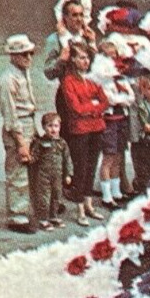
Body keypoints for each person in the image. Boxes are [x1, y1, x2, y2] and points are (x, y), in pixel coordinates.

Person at [56, 44, 108, 226]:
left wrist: (92, 108)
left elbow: (104, 101)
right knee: (80, 168)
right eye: (81, 58)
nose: (85, 61)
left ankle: (89, 204)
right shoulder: (68, 81)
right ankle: (79, 208)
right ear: (72, 60)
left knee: (92, 165)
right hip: (79, 130)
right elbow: (75, 108)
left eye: (87, 58)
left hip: (97, 127)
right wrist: (93, 107)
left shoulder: (93, 78)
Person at [0, 33, 38, 234]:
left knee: (30, 170)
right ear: (12, 55)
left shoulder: (23, 73)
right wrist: (21, 141)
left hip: (29, 122)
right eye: (23, 54)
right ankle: (17, 216)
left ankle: (30, 207)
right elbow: (10, 115)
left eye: (30, 53)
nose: (28, 58)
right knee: (18, 171)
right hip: (18, 127)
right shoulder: (7, 79)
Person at [89, 45, 136, 208]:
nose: (112, 60)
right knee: (108, 157)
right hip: (109, 120)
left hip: (122, 119)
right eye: (108, 56)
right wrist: (119, 98)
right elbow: (108, 99)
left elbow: (131, 97)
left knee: (118, 156)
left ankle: (116, 192)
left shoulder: (121, 77)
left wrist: (120, 98)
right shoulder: (100, 78)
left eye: (114, 56)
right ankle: (106, 196)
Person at [30, 112, 73, 230]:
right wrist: (29, 159)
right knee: (44, 198)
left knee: (56, 196)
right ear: (44, 127)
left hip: (57, 175)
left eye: (56, 126)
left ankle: (53, 216)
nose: (53, 129)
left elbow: (67, 159)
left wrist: (68, 174)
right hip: (43, 175)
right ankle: (43, 219)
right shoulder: (40, 142)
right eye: (49, 126)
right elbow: (34, 157)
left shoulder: (62, 143)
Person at [43, 0, 96, 81]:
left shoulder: (86, 38)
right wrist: (61, 60)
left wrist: (92, 42)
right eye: (74, 15)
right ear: (65, 17)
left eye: (81, 15)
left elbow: (95, 69)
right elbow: (48, 73)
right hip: (66, 88)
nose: (79, 19)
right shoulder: (55, 39)